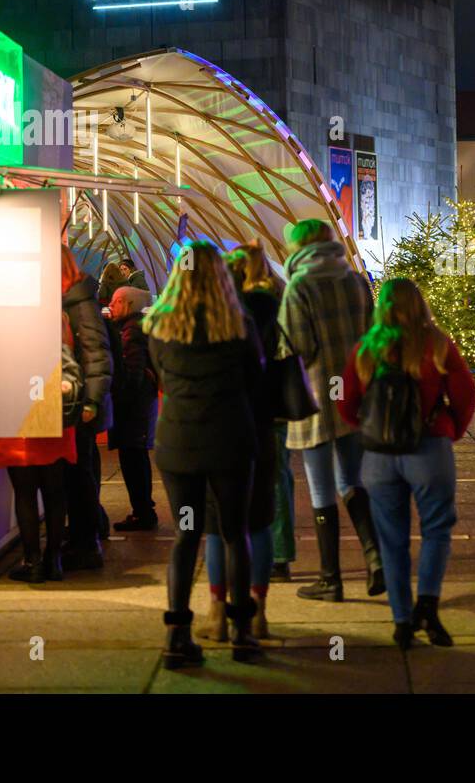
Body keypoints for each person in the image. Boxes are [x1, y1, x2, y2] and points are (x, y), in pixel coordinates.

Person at [338, 279, 475, 649]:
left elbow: (345, 401)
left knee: (391, 539)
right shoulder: (436, 344)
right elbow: (465, 392)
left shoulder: (365, 349)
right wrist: (451, 429)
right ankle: (428, 606)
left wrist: (370, 429)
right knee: (436, 529)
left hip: (379, 459)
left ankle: (401, 621)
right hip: (429, 448)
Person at [146, 239, 265, 667]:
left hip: (179, 446)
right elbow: (256, 379)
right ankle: (242, 633)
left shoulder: (159, 328)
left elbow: (161, 375)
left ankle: (176, 635)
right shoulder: (237, 325)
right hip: (230, 442)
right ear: (220, 277)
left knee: (185, 534)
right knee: (235, 533)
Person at [276, 219, 384, 602]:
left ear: (300, 246)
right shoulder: (354, 281)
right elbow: (371, 334)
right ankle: (376, 559)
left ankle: (330, 578)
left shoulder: (299, 287)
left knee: (321, 487)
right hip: (351, 394)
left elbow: (297, 347)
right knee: (351, 480)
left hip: (315, 397)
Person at [198, 242, 293, 642]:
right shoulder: (269, 310)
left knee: (218, 528)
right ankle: (258, 614)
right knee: (257, 522)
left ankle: (218, 612)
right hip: (262, 427)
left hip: (215, 434)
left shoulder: (203, 322)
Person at [0, 312, 78, 583]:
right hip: (52, 411)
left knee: (25, 493)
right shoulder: (56, 316)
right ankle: (54, 560)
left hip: (19, 415)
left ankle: (33, 561)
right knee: (55, 493)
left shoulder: (4, 323)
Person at [60, 247, 115, 571]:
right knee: (82, 470)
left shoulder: (78, 302)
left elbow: (97, 353)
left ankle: (86, 543)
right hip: (80, 400)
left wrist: (91, 402)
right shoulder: (77, 299)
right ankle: (91, 530)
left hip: (81, 402)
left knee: (78, 472)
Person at [107, 286, 159, 532]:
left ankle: (143, 512)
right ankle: (143, 510)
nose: (111, 304)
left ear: (128, 304)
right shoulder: (136, 328)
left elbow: (133, 372)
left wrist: (121, 396)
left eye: (116, 301)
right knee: (135, 458)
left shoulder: (132, 331)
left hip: (133, 409)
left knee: (133, 460)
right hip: (139, 407)